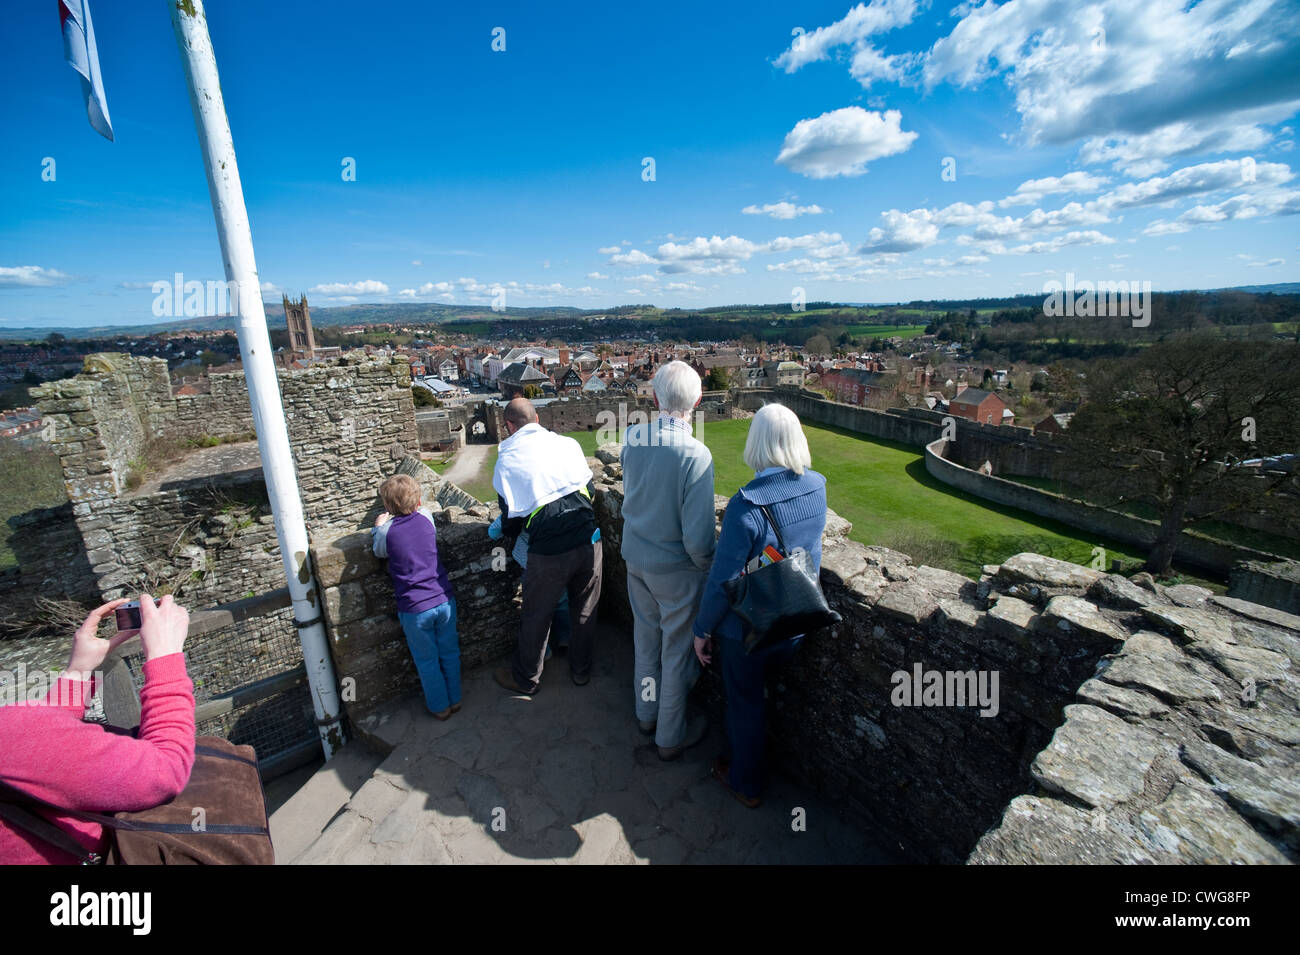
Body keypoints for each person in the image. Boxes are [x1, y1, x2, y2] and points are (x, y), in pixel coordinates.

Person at [692, 403, 827, 808]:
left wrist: (701, 630)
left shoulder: (746, 505)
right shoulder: (817, 485)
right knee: (767, 699)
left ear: (757, 442)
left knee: (746, 705)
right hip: (799, 617)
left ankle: (746, 783)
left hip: (747, 631)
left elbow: (724, 581)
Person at [0, 594, 195, 864]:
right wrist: (165, 657)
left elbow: (36, 757)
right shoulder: (12, 733)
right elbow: (164, 772)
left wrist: (78, 672)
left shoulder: (15, 735)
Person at [621, 361, 716, 760]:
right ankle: (668, 738)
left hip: (634, 557)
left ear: (655, 397)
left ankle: (646, 714)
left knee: (645, 641)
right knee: (676, 653)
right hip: (675, 569)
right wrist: (709, 567)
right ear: (696, 400)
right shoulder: (696, 454)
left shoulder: (632, 437)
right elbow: (697, 538)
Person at [491, 397, 602, 694]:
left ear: (509, 426)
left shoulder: (507, 460)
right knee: (585, 608)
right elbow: (589, 489)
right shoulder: (568, 444)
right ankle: (581, 670)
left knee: (536, 614)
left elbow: (511, 520)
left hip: (549, 551)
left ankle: (526, 679)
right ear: (537, 419)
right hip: (589, 539)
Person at [373, 473, 461, 719]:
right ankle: (455, 699)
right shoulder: (426, 517)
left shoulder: (386, 532)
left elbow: (379, 552)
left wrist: (378, 526)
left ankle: (440, 707)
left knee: (427, 661)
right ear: (418, 498)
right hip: (443, 599)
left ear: (388, 506)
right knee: (450, 652)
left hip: (414, 608)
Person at [487, 515, 570, 659]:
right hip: (561, 559)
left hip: (534, 565)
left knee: (537, 611)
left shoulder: (522, 503)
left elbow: (493, 532)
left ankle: (543, 653)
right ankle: (566, 638)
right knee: (562, 602)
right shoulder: (560, 497)